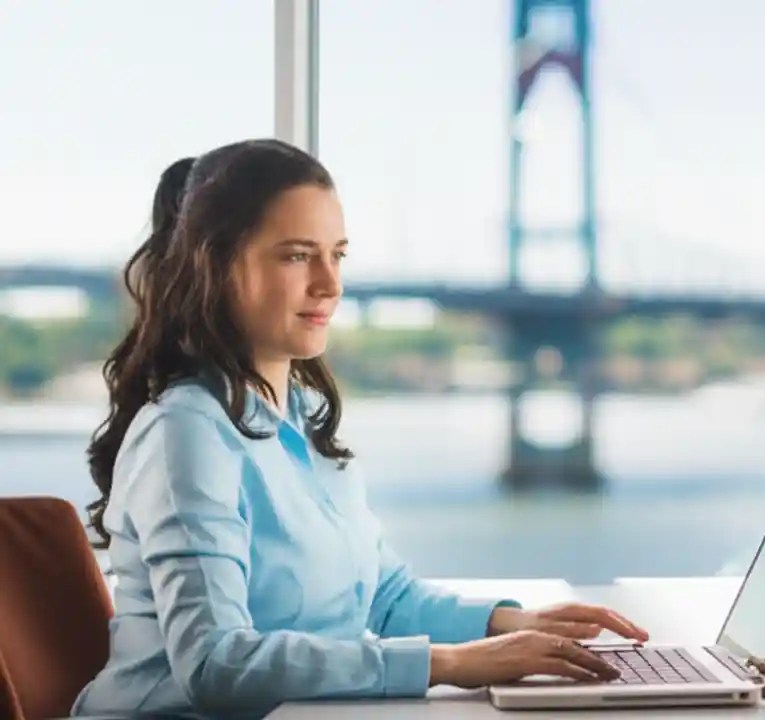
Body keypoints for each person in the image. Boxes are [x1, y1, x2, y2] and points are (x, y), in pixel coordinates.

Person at [72, 139, 647, 718]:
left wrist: (511, 623)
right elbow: (216, 666)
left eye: (337, 254)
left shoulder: (298, 417)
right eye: (297, 256)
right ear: (215, 266)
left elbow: (383, 595)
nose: (329, 284)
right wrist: (451, 663)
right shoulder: (187, 432)